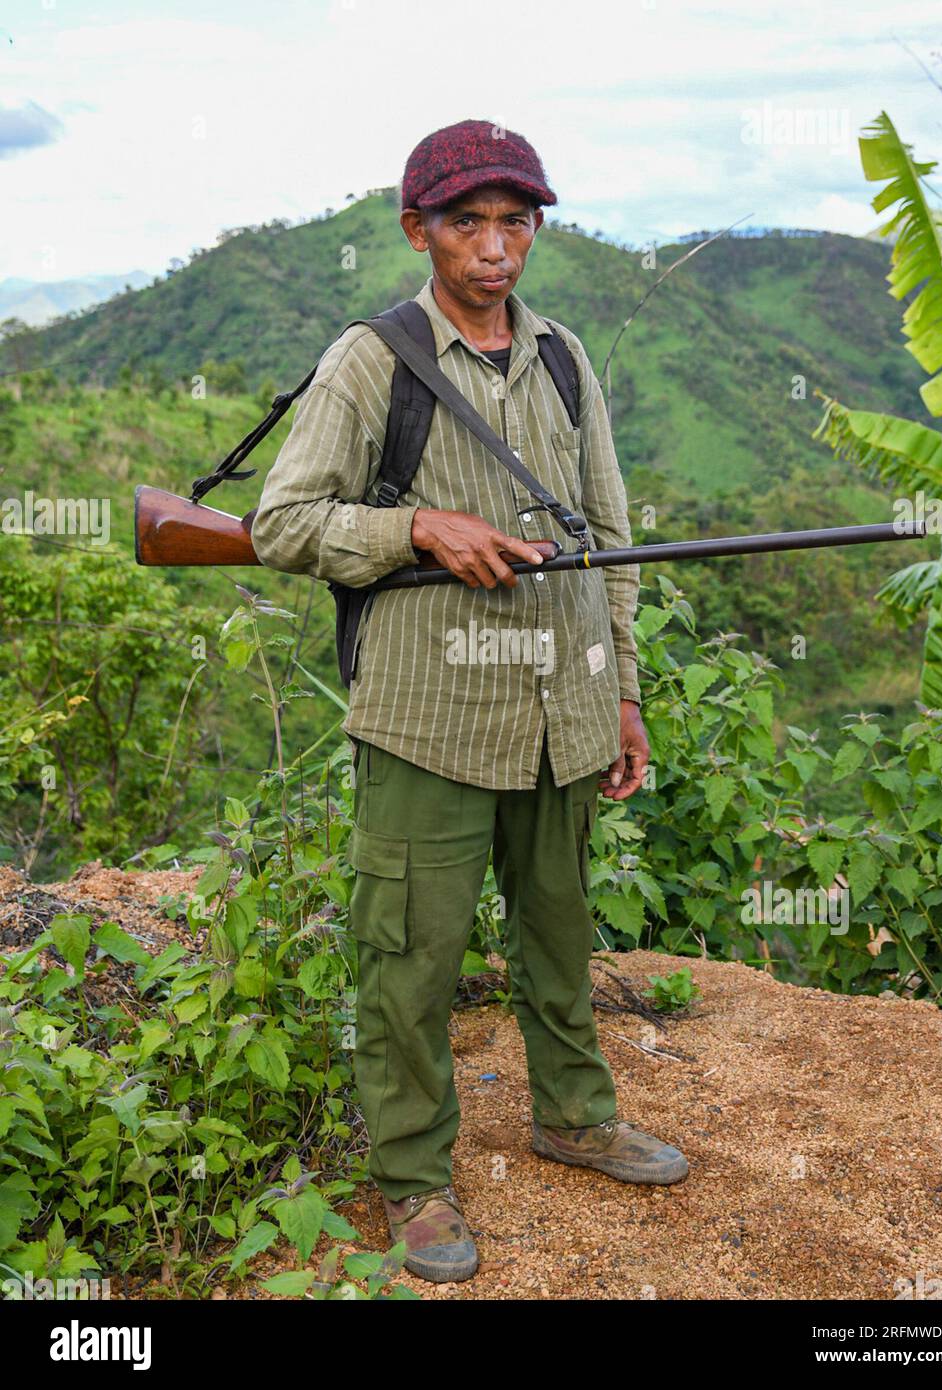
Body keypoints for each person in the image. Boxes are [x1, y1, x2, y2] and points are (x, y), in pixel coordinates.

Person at [251, 118, 688, 1285]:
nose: (494, 248)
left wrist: (625, 699)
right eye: (466, 223)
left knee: (557, 931)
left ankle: (574, 1116)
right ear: (418, 232)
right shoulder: (372, 361)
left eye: (515, 222)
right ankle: (412, 1179)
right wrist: (418, 529)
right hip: (427, 720)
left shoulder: (562, 356)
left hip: (560, 714)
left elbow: (608, 539)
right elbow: (280, 522)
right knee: (410, 956)